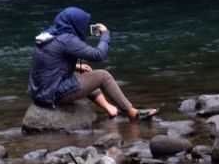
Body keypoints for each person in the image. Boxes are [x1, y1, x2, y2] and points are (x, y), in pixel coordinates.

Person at [27, 7, 158, 121]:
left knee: (86, 74)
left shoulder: (49, 35)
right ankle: (132, 113)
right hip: (53, 95)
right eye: (82, 24)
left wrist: (76, 66)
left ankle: (110, 109)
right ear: (74, 23)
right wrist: (105, 35)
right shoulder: (67, 40)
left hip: (39, 92)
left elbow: (48, 64)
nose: (83, 27)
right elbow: (98, 55)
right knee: (103, 76)